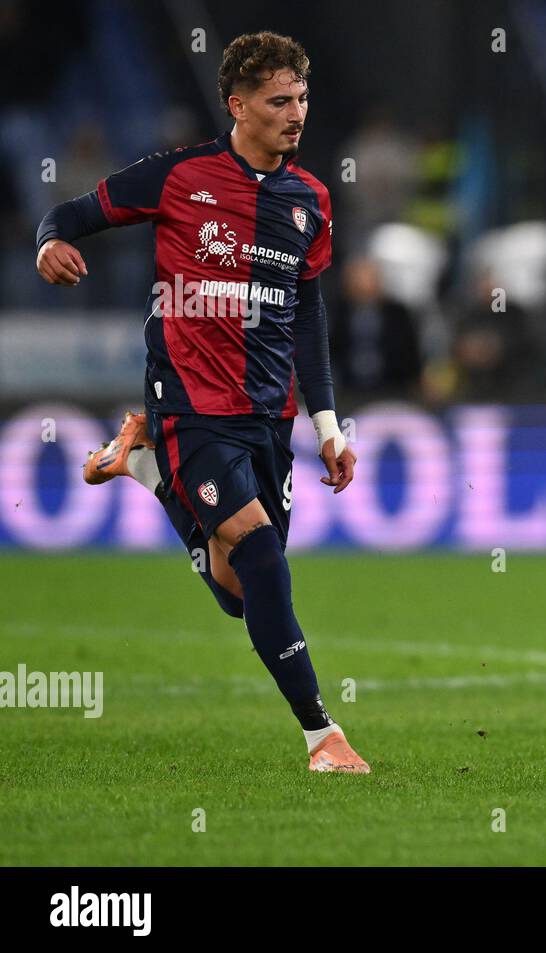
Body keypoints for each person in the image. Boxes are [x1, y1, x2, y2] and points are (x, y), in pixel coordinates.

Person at [34, 31, 369, 774]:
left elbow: (308, 319)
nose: (296, 114)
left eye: (303, 98)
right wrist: (46, 243)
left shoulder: (309, 200)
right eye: (279, 101)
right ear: (238, 104)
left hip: (269, 412)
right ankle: (323, 735)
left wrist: (326, 424)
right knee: (258, 554)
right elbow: (70, 213)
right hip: (188, 399)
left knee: (241, 589)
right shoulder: (179, 176)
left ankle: (147, 471)